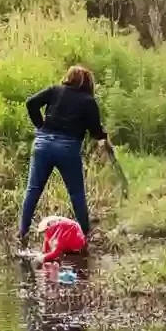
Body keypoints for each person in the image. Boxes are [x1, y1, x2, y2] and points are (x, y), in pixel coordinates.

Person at [19, 65, 110, 241]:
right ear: (88, 83)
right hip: (68, 148)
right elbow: (96, 132)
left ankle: (22, 233)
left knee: (33, 190)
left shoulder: (55, 90)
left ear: (69, 77)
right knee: (76, 193)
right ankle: (85, 234)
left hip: (42, 144)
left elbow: (31, 103)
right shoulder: (88, 101)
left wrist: (40, 125)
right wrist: (104, 137)